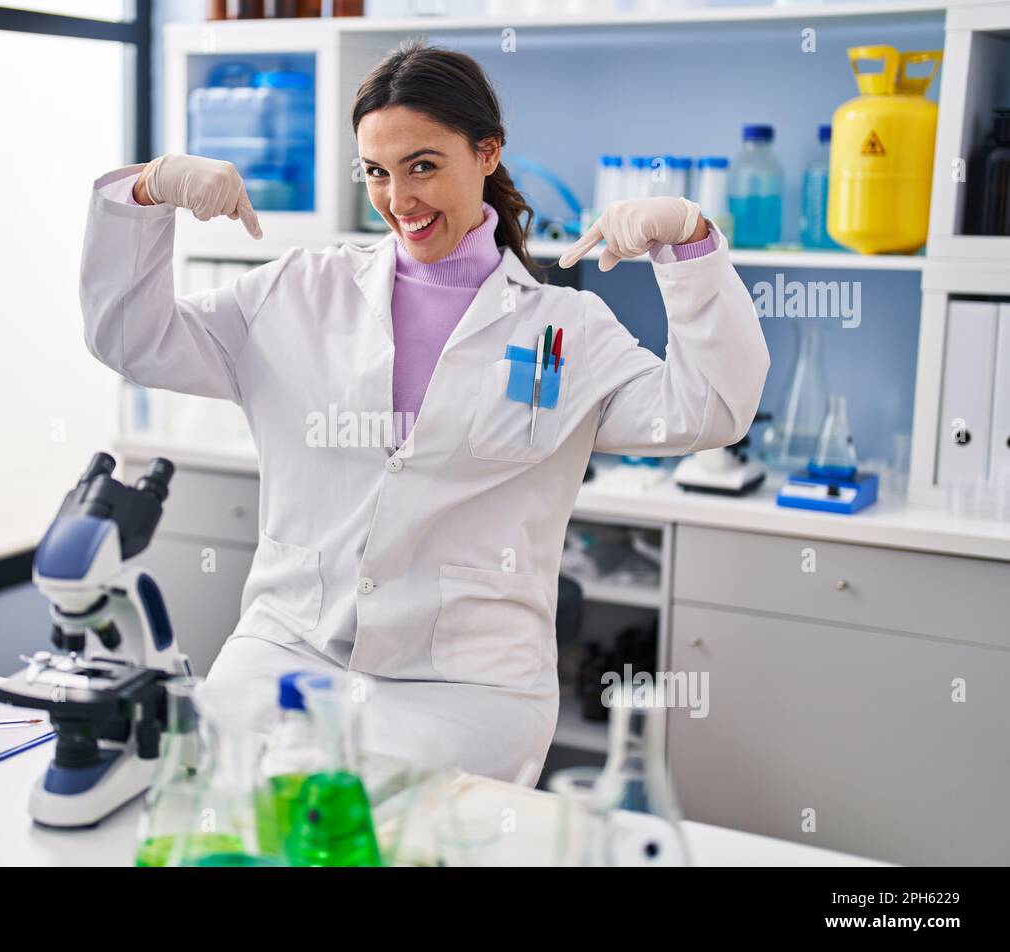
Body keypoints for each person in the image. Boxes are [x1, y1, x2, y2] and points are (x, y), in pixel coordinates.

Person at [79, 42, 768, 787]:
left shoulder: (564, 327)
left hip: (470, 688)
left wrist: (690, 243)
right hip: (290, 652)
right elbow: (131, 338)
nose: (399, 199)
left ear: (487, 152)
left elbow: (711, 409)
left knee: (406, 840)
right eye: (377, 171)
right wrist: (149, 191)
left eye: (423, 166)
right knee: (221, 818)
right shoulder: (301, 293)